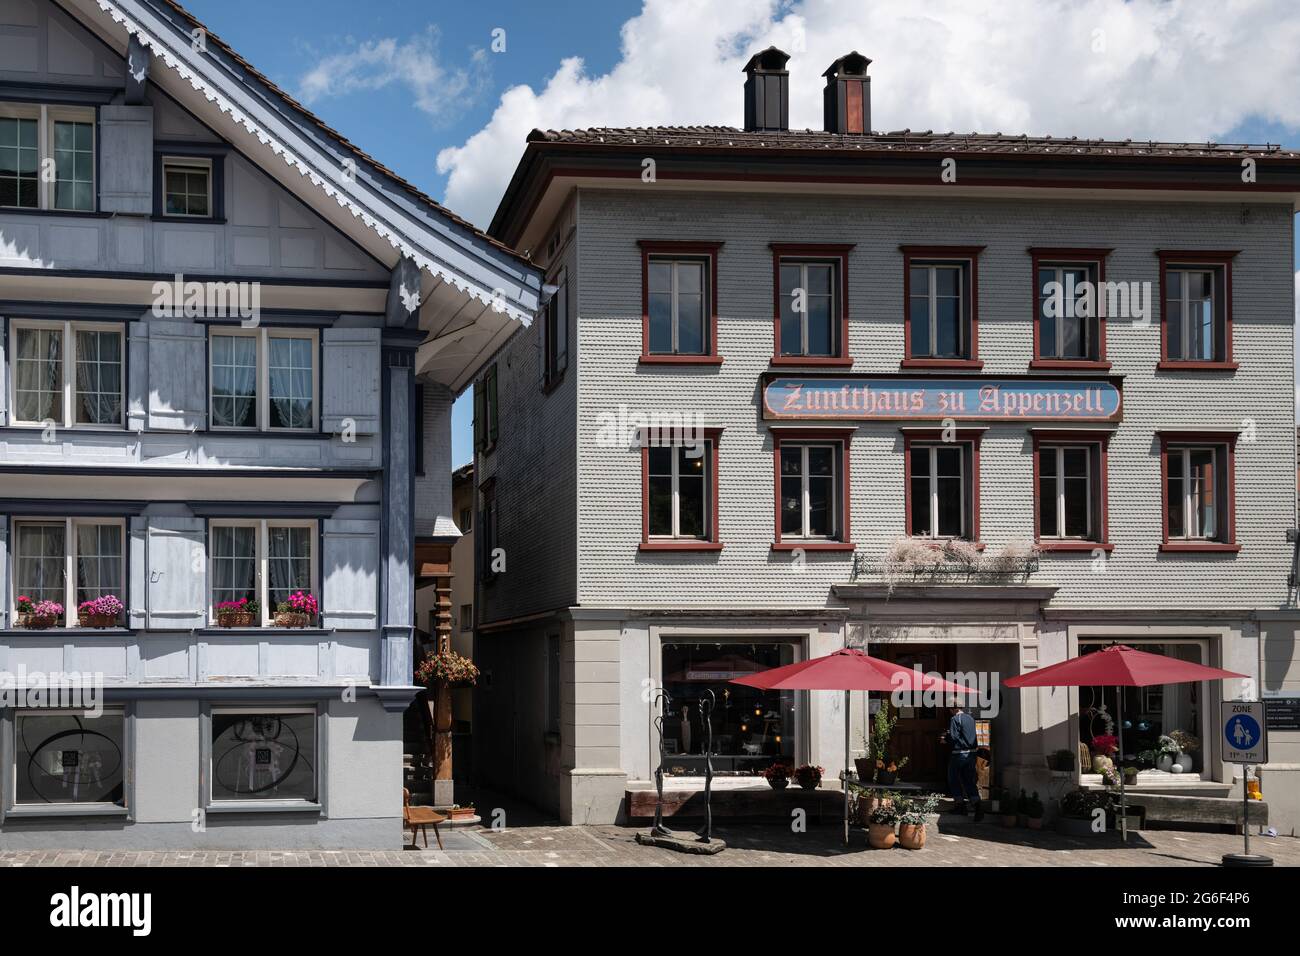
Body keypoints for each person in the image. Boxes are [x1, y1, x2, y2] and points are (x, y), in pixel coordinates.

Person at [941, 700, 983, 820]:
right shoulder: (970, 718)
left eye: (950, 709)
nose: (950, 711)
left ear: (953, 709)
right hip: (972, 754)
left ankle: (960, 805)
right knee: (969, 780)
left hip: (959, 754)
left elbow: (954, 737)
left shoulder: (955, 719)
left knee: (953, 778)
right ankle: (978, 806)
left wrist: (945, 739)